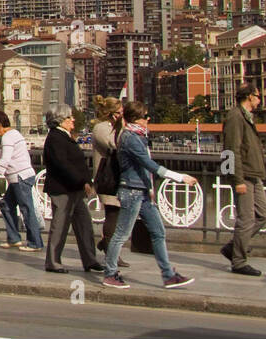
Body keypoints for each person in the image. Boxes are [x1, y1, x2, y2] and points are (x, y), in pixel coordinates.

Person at [103, 102, 197, 289]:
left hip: (143, 191)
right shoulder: (130, 138)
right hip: (131, 190)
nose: (148, 119)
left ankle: (168, 275)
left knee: (158, 232)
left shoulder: (137, 136)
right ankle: (110, 273)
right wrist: (180, 177)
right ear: (137, 119)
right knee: (121, 234)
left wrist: (150, 189)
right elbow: (149, 165)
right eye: (146, 116)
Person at [41, 111, 104, 274]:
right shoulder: (55, 138)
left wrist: (86, 181)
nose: (72, 120)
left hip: (74, 189)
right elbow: (62, 164)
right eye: (69, 117)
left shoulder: (65, 136)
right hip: (62, 190)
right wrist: (82, 181)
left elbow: (77, 163)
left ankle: (90, 260)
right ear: (60, 121)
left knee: (84, 224)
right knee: (60, 225)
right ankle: (53, 262)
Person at [221, 83, 266, 276]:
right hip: (244, 176)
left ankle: (233, 247)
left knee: (263, 216)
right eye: (258, 96)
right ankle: (239, 261)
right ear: (249, 97)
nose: (259, 100)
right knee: (246, 219)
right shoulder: (235, 116)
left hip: (255, 174)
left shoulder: (246, 117)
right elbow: (230, 150)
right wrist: (237, 179)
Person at [0, 110, 43, 251]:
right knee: (7, 206)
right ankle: (13, 238)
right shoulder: (15, 134)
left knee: (26, 209)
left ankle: (35, 243)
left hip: (19, 177)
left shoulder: (7, 137)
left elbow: (5, 159)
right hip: (18, 177)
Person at [91, 97, 129, 268]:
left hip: (118, 176)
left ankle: (109, 246)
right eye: (120, 113)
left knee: (118, 214)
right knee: (113, 214)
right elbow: (114, 145)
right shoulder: (101, 128)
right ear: (112, 114)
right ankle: (110, 251)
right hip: (107, 177)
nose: (123, 116)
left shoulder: (115, 127)